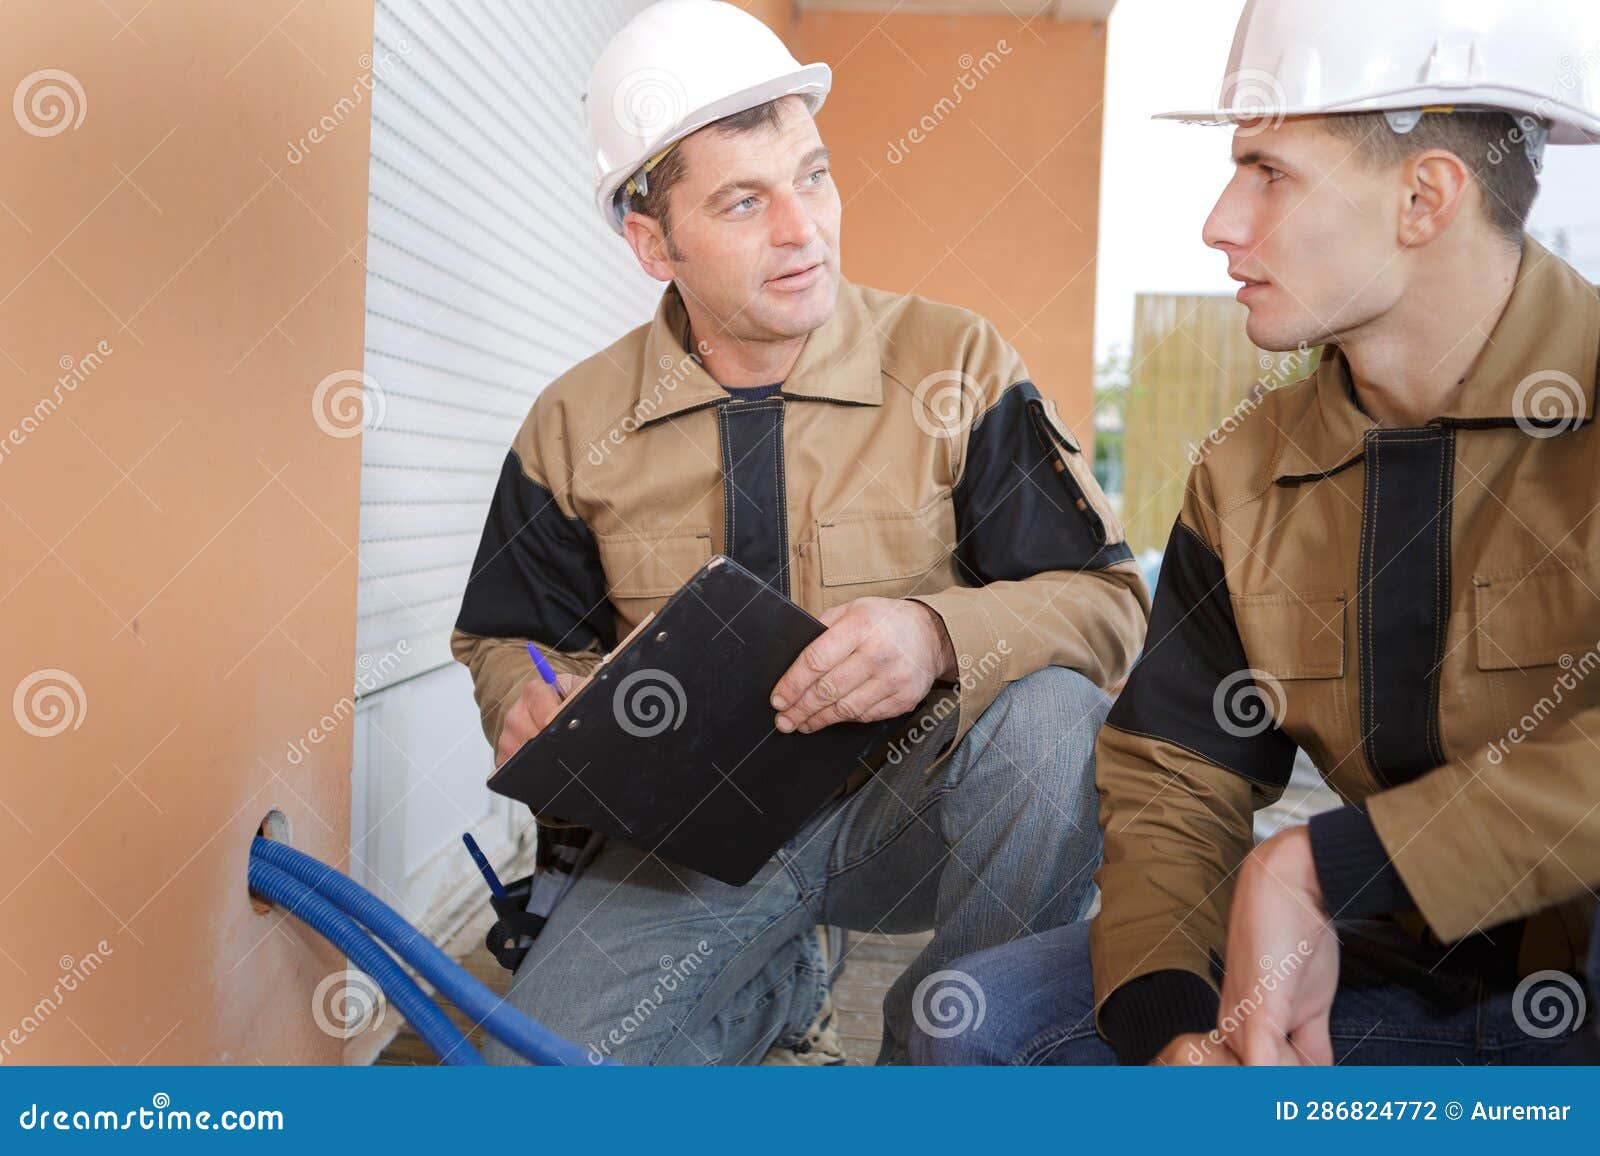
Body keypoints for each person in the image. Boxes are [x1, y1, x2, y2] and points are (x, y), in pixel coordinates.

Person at [449, 0, 1148, 1066]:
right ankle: (771, 990)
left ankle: (955, 1061)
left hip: (910, 815)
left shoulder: (953, 364)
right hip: (683, 848)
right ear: (652, 242)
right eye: (742, 202)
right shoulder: (572, 425)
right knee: (533, 1081)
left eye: (812, 176)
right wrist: (526, 695)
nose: (802, 229)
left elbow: (1107, 604)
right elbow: (510, 637)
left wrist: (934, 634)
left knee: (1055, 724)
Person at [919, 0, 1600, 1066]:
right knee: (976, 1022)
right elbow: (1174, 774)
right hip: (1400, 968)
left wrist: (1332, 864)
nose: (1219, 221)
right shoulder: (1245, 472)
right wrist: (1172, 1017)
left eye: (1269, 172)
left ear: (1424, 198)